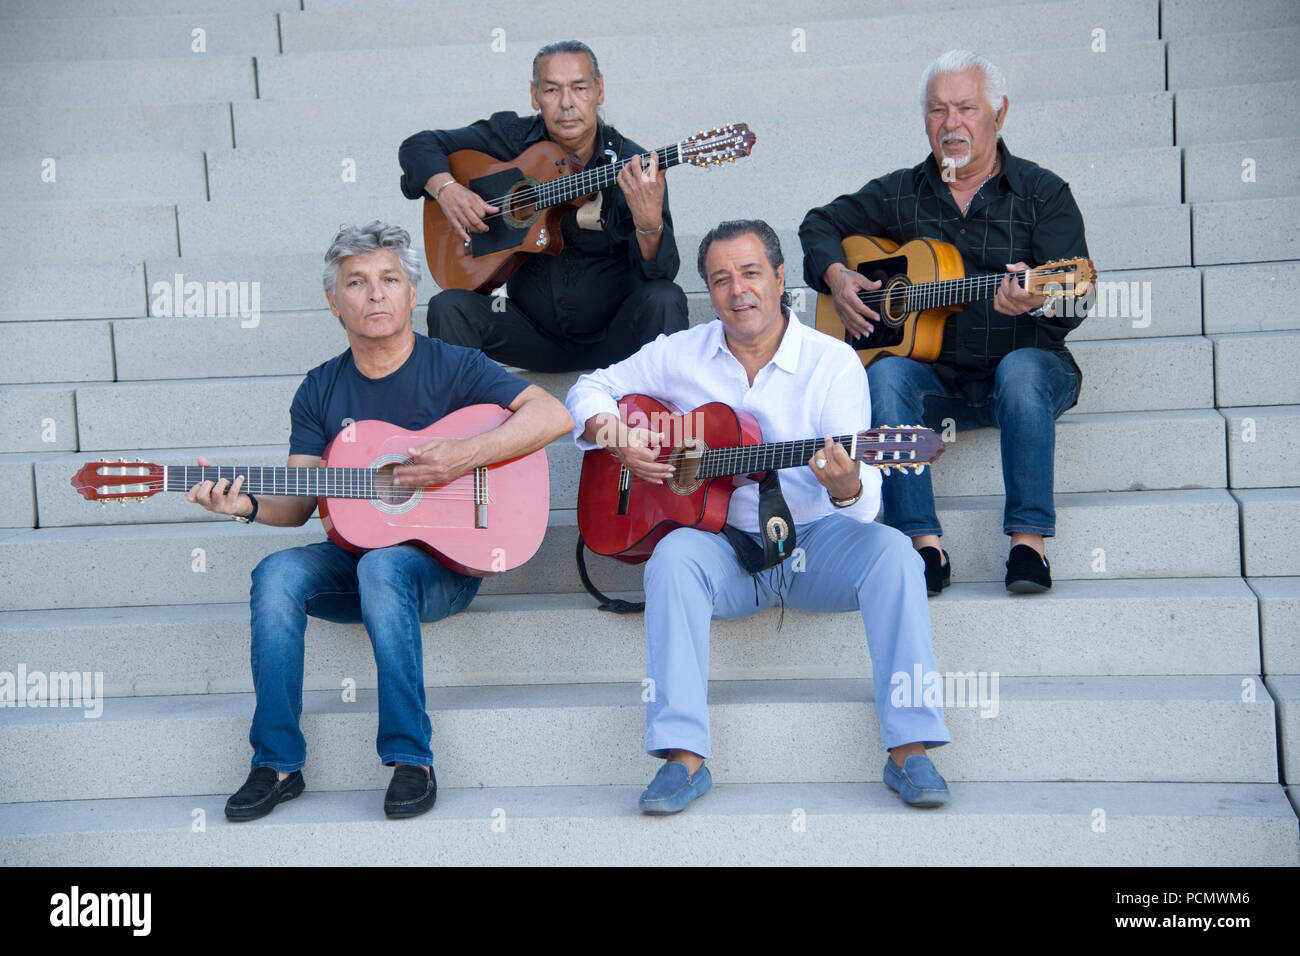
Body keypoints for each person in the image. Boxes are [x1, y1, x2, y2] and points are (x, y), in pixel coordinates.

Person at [185, 221, 572, 821]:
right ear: (333, 301)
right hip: (355, 558)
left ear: (412, 293)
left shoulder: (456, 367)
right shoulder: (320, 388)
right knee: (276, 576)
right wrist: (248, 505)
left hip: (444, 565)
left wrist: (460, 458)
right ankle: (278, 763)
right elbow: (299, 501)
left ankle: (411, 757)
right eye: (357, 282)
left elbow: (551, 416)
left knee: (386, 565)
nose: (374, 294)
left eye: (389, 279)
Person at [566, 219, 951, 813]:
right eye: (720, 279)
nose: (737, 290)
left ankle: (910, 749)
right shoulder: (681, 354)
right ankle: (683, 759)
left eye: (750, 273)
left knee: (897, 555)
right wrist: (615, 435)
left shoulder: (833, 363)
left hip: (817, 544)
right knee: (671, 559)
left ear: (778, 280)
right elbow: (588, 388)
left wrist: (847, 488)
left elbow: (866, 505)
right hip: (723, 546)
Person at [799, 49, 1090, 595]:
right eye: (937, 110)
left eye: (966, 108)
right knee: (885, 375)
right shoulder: (901, 192)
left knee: (1024, 371)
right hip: (942, 386)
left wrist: (1040, 299)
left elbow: (1076, 297)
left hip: (1026, 374)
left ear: (998, 115)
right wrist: (837, 277)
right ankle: (920, 545)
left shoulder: (1042, 194)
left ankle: (1028, 545)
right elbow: (820, 223)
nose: (951, 123)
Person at [399, 39, 688, 372]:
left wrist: (649, 225)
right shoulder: (511, 139)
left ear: (599, 90)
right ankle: (464, 421)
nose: (567, 104)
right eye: (552, 90)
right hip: (528, 335)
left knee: (666, 298)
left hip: (615, 337)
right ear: (534, 95)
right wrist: (446, 188)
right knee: (448, 306)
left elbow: (661, 277)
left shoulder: (632, 167)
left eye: (579, 88)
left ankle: (670, 415)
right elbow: (418, 146)